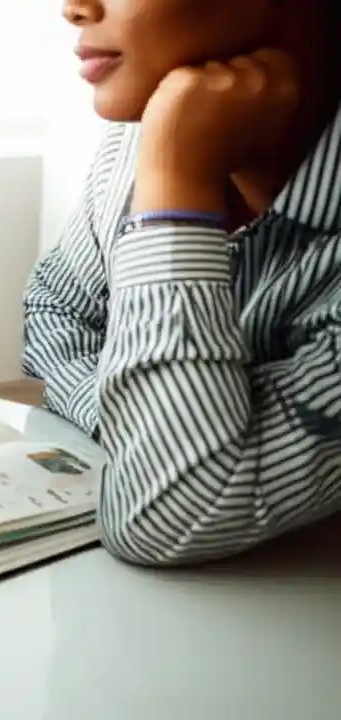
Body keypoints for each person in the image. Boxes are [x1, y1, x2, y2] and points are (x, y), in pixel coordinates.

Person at [24, 0, 341, 566]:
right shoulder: (138, 137)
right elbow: (54, 309)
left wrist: (176, 180)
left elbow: (167, 512)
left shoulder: (166, 144)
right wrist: (135, 421)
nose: (72, 8)